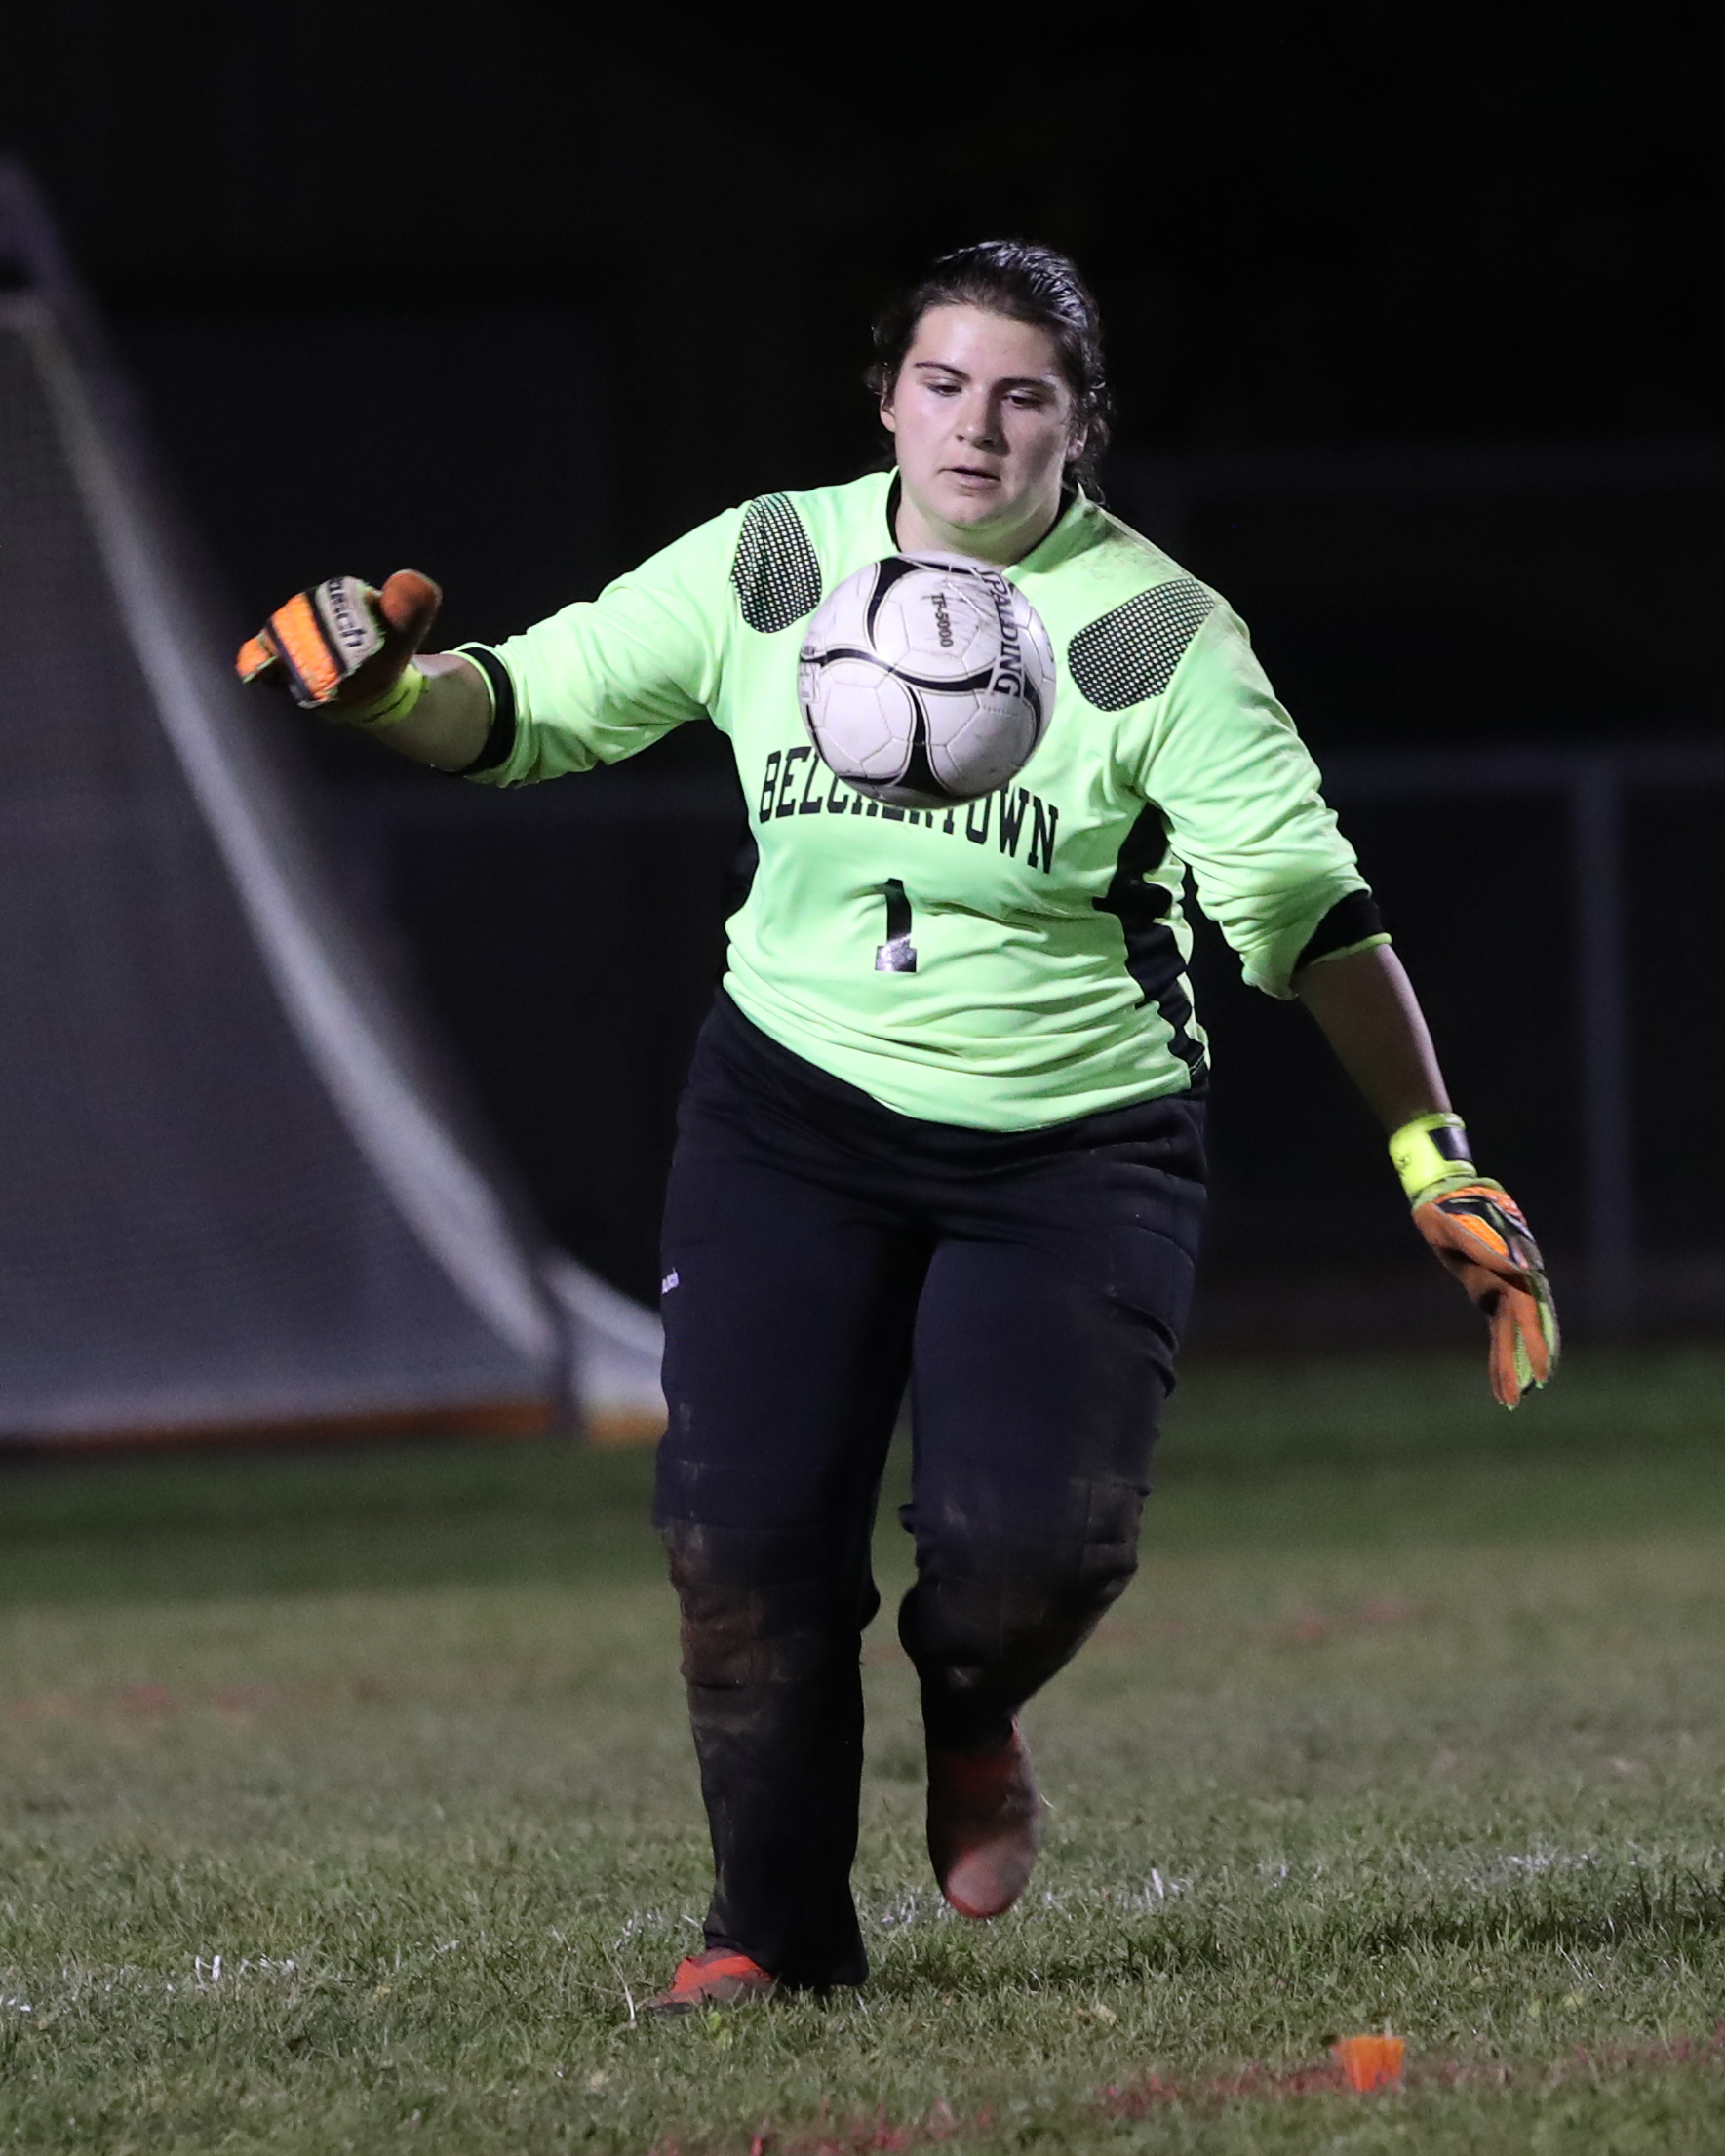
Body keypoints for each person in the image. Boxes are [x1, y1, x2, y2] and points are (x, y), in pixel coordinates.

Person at [238, 240, 1557, 2013]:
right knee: (741, 1537)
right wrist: (390, 689)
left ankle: (973, 1699)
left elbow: (1313, 914)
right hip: (790, 1110)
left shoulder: (1161, 635)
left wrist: (1432, 1152)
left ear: (1079, 429)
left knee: (1034, 1555)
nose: (975, 425)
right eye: (941, 383)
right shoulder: (772, 560)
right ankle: (772, 1939)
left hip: (1077, 1144)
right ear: (885, 398)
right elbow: (527, 708)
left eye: (1023, 395)